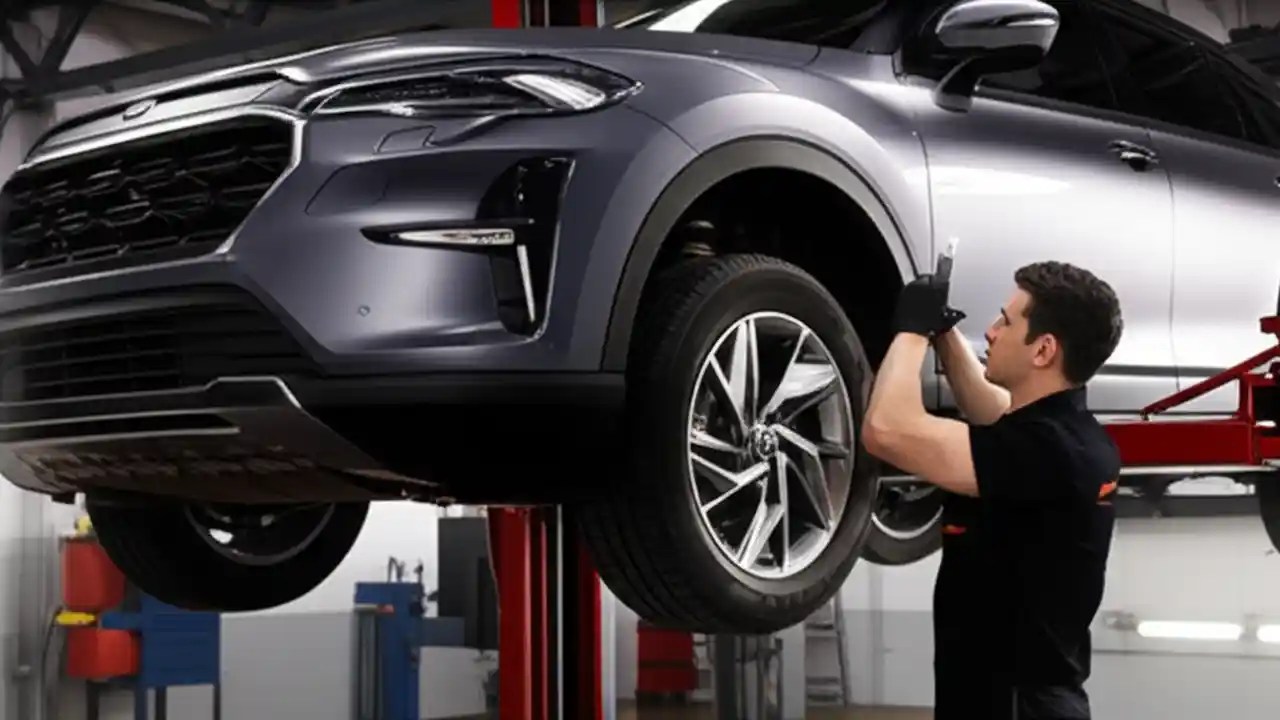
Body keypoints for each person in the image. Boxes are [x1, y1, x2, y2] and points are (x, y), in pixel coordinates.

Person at [861, 260, 1125, 720]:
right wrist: (943, 336)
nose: (990, 331)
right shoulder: (1071, 436)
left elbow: (886, 429)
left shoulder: (1049, 453)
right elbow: (993, 411)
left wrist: (910, 330)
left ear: (1043, 351)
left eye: (1005, 321)